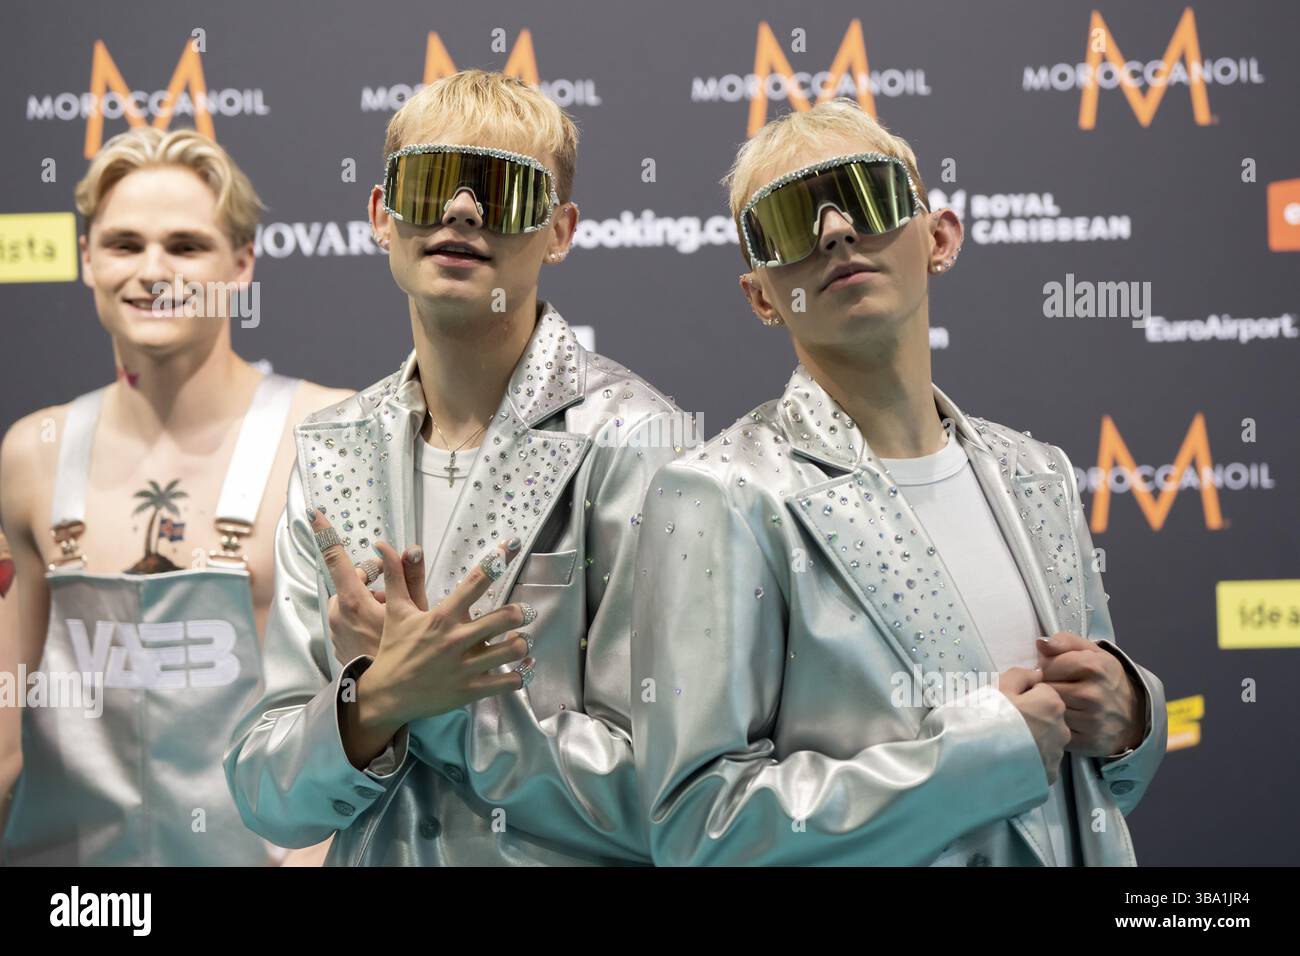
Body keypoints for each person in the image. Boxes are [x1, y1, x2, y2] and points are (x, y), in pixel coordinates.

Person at [629, 98, 1167, 866]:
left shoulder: (1036, 473)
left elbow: (1098, 787)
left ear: (939, 236)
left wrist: (1132, 718)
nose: (833, 231)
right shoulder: (719, 493)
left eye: (868, 194)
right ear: (760, 296)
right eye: (788, 220)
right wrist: (975, 759)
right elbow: (698, 830)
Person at [225, 70, 687, 865]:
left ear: (561, 230)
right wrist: (369, 703)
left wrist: (430, 703)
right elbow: (268, 797)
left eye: (502, 190)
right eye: (432, 182)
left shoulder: (637, 441)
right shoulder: (333, 448)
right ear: (380, 213)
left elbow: (667, 796)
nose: (461, 211)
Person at [0, 127, 348, 865]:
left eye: (186, 247)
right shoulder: (33, 454)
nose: (153, 271)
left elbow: (367, 708)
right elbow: (7, 718)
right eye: (125, 244)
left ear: (242, 263)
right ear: (87, 257)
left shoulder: (327, 433)